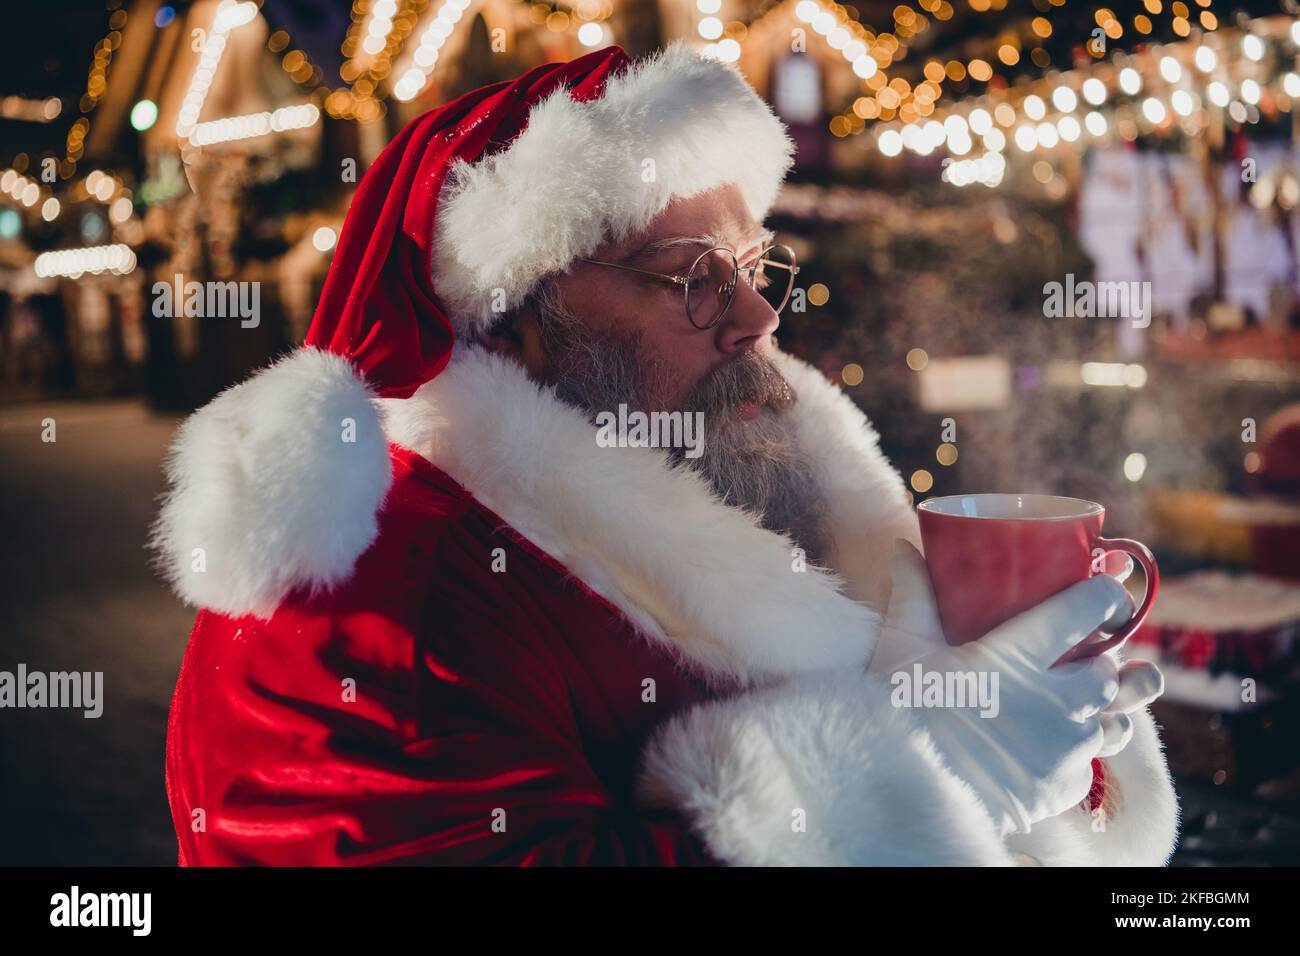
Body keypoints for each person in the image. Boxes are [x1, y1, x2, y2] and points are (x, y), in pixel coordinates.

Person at [153, 43, 1178, 865]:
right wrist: (938, 771)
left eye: (751, 265)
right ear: (515, 315)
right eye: (687, 276)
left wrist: (1045, 762)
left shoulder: (776, 494)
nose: (754, 314)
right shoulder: (372, 603)